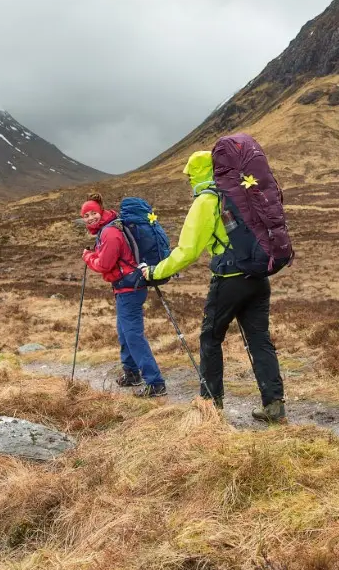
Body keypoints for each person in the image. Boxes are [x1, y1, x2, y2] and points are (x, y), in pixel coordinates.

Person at [139, 151, 286, 423]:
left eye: (190, 175)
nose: (188, 181)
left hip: (229, 279)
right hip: (258, 277)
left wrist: (154, 272)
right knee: (260, 341)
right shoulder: (241, 194)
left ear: (198, 173)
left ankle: (210, 405)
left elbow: (187, 251)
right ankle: (274, 406)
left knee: (210, 338)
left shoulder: (207, 201)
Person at [81, 193, 167, 398]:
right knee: (124, 331)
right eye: (86, 215)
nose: (90, 217)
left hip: (130, 289)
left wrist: (88, 256)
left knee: (133, 335)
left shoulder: (110, 233)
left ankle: (155, 383)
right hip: (126, 287)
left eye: (93, 213)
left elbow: (104, 265)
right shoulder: (109, 228)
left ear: (101, 211)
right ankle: (131, 373)